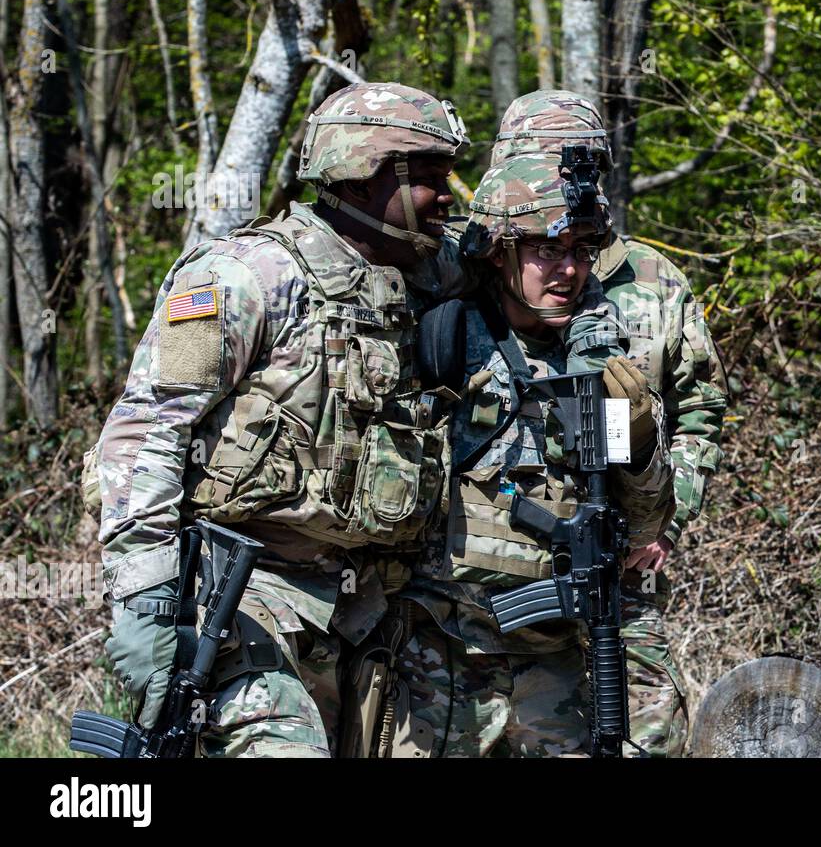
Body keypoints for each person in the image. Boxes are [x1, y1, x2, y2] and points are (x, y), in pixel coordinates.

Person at [86, 82, 622, 757]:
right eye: (428, 178)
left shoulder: (424, 267)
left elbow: (535, 248)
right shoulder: (246, 276)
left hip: (366, 616)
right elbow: (144, 436)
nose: (448, 197)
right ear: (363, 177)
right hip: (247, 603)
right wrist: (144, 606)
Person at [381, 154, 676, 757]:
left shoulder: (599, 362)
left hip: (557, 664)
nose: (568, 269)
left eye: (584, 251)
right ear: (498, 251)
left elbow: (645, 522)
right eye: (548, 249)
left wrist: (638, 434)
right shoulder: (445, 338)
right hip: (440, 656)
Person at [492, 89, 729, 755]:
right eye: (537, 163)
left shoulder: (650, 280)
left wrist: (667, 516)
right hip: (493, 572)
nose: (557, 182)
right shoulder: (482, 271)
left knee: (646, 735)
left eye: (575, 165)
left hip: (618, 571)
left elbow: (701, 406)